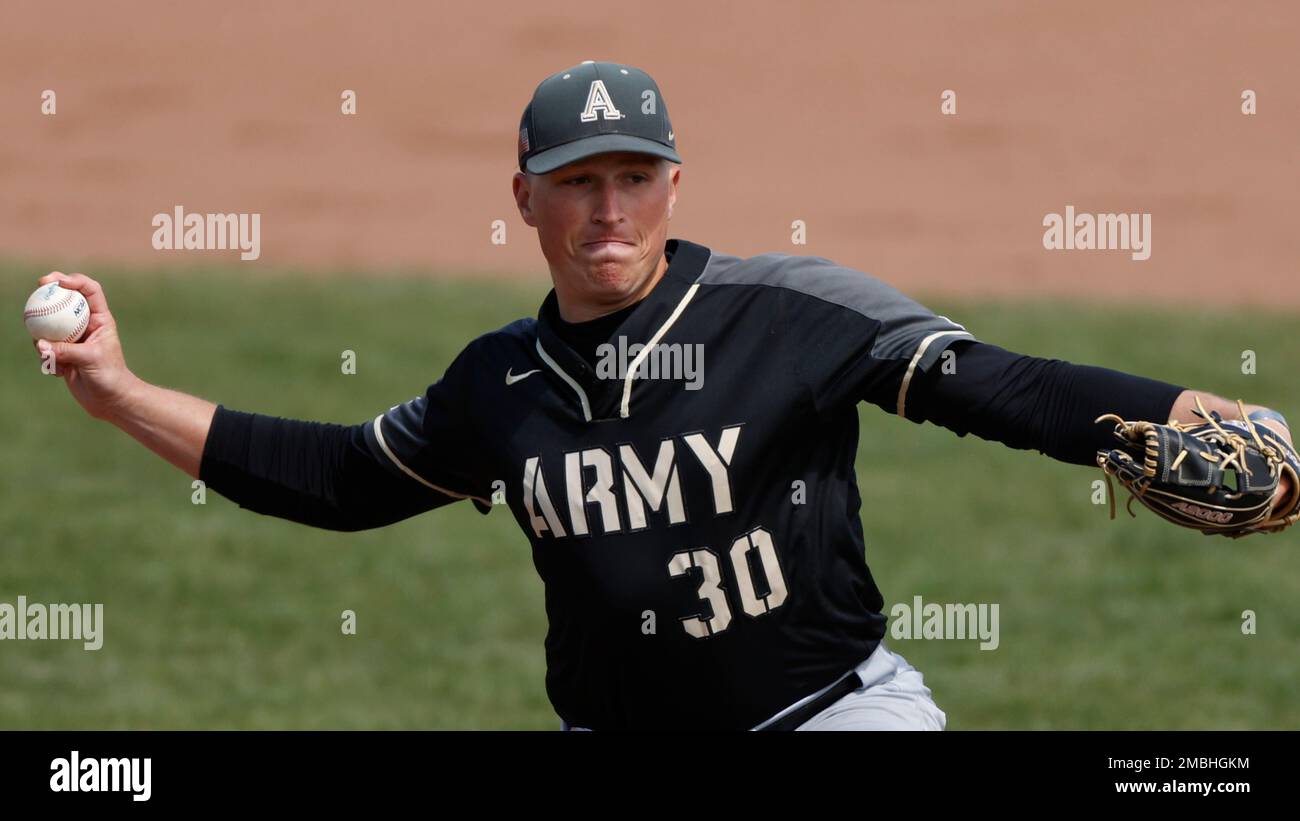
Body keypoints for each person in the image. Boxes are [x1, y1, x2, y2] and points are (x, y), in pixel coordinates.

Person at [33, 60, 1294, 731]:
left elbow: (999, 386)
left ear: (677, 186)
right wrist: (121, 394)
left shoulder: (790, 311)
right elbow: (338, 480)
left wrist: (1184, 412)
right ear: (522, 194)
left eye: (636, 174)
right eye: (578, 180)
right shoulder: (499, 384)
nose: (609, 208)